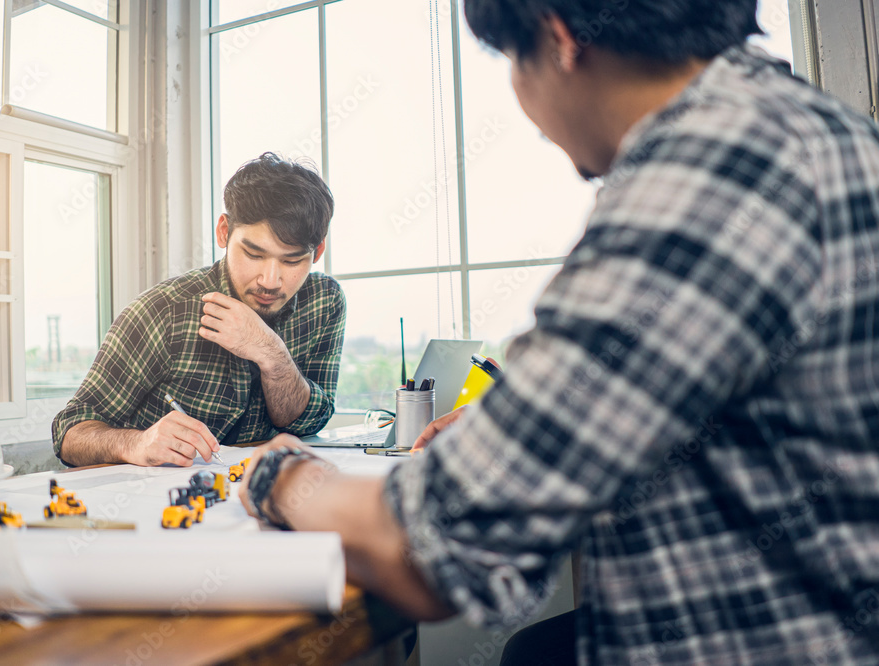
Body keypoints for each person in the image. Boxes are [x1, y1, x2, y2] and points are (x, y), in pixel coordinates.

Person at [237, 2, 879, 664]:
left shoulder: (704, 177)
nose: (533, 117)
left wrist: (280, 476)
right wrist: (522, 424)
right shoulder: (821, 131)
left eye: (512, 62)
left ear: (560, 37)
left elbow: (432, 545)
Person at [52, 153, 346, 468]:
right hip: (154, 493)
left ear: (318, 251)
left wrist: (272, 353)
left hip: (254, 490)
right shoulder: (164, 311)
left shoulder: (324, 301)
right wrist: (136, 442)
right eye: (253, 254)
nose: (270, 281)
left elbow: (308, 423)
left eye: (291, 260)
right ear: (224, 232)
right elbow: (68, 434)